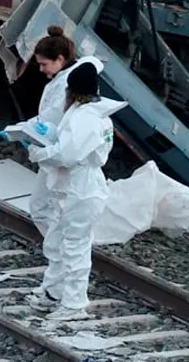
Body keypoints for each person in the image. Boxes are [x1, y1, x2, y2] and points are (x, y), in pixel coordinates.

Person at [25, 61, 118, 321]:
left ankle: (75, 304)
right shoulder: (90, 113)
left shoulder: (86, 117)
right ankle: (53, 293)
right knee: (57, 240)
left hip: (82, 188)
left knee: (75, 246)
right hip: (74, 187)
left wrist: (39, 153)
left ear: (72, 90)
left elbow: (68, 154)